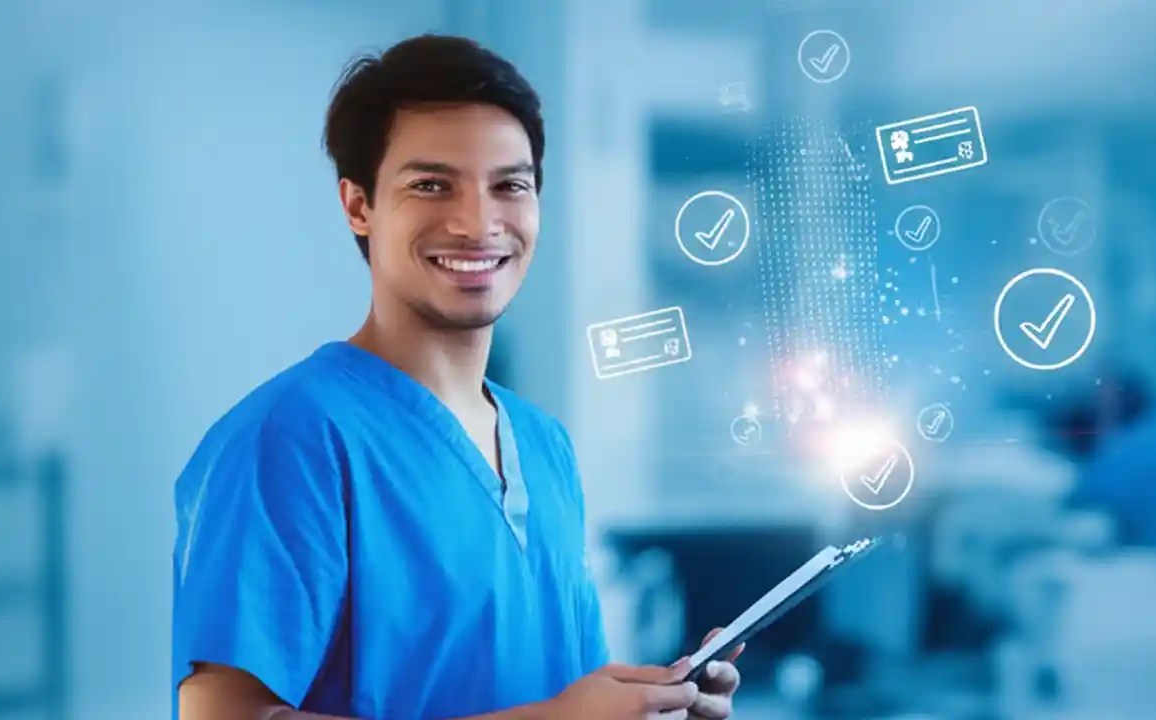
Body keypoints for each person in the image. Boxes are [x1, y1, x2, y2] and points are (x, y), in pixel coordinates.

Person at [172, 34, 742, 720]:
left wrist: (652, 709)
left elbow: (559, 701)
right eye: (431, 185)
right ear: (358, 206)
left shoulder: (544, 446)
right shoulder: (291, 438)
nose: (478, 223)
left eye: (510, 185)